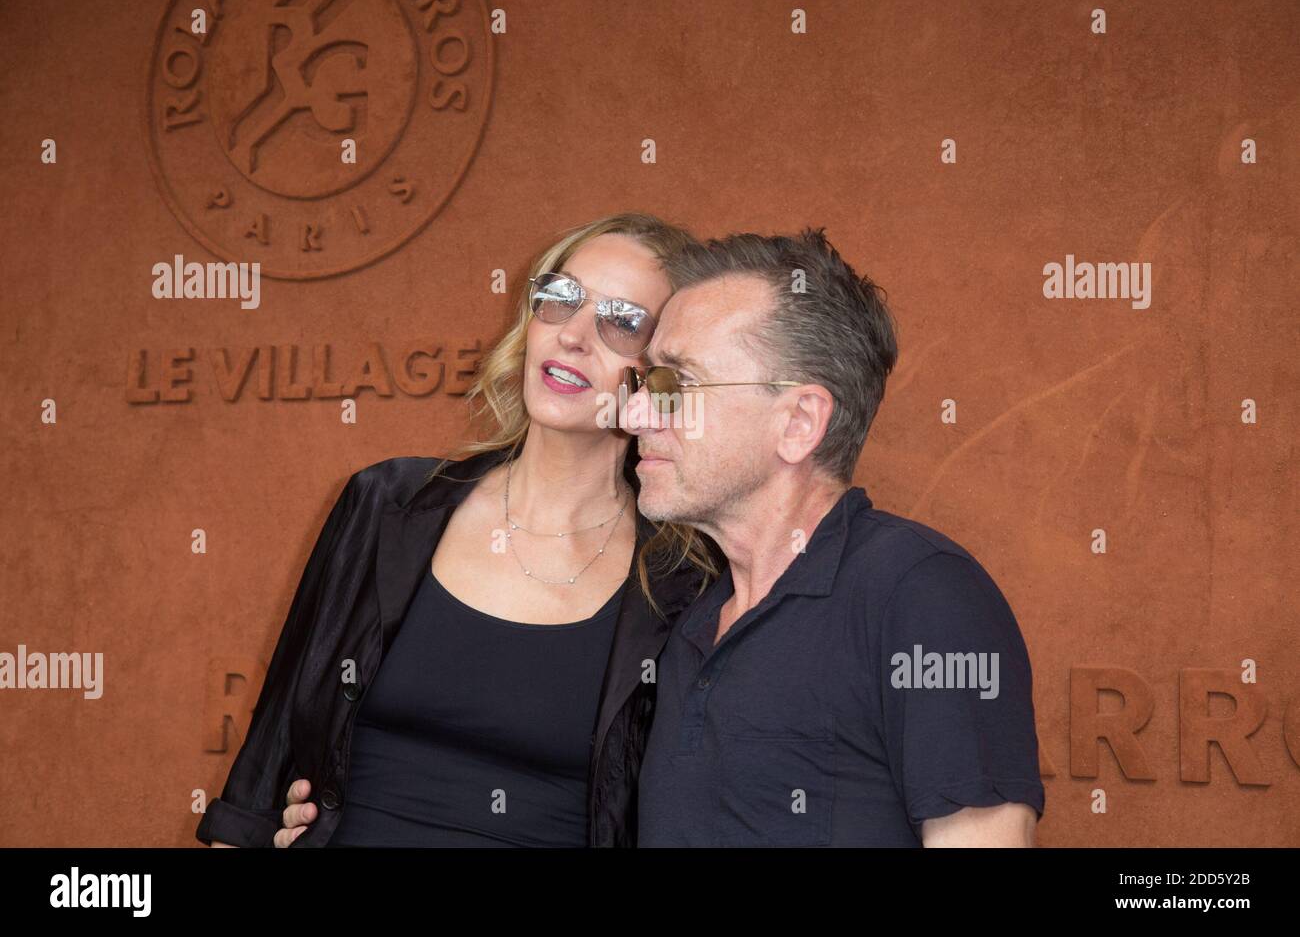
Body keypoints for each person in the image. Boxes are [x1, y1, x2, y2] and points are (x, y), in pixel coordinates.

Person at [195, 213, 719, 848]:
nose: (573, 336)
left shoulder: (687, 580)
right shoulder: (387, 505)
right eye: (560, 299)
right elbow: (263, 768)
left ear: (663, 376)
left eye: (621, 321)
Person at [621, 228, 1046, 846]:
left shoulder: (921, 594)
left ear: (798, 422)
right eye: (645, 383)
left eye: (675, 385)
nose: (634, 415)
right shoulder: (693, 621)